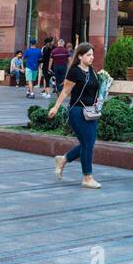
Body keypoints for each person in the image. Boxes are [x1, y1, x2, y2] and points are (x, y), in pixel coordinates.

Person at [48, 43, 102, 189]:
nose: (92, 57)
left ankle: (63, 159)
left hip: (91, 112)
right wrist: (55, 107)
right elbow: (65, 92)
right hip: (77, 112)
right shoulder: (74, 72)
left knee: (88, 143)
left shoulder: (92, 71)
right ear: (80, 56)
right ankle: (87, 177)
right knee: (87, 144)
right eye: (88, 55)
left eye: (92, 54)